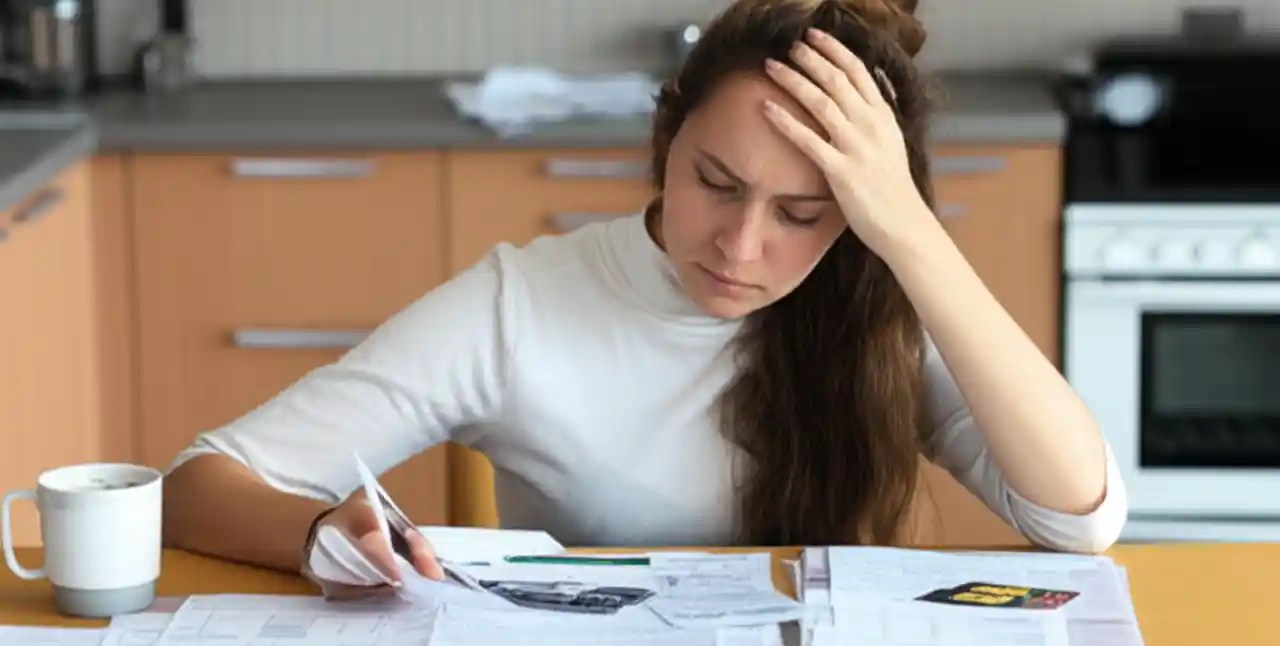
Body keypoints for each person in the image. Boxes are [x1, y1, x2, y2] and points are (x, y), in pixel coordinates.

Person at [160, 0, 1128, 598]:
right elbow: (196, 484)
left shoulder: (869, 303)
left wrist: (911, 236)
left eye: (801, 213)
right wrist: (318, 532)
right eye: (714, 181)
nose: (740, 246)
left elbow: (1076, 520)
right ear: (663, 141)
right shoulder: (518, 306)